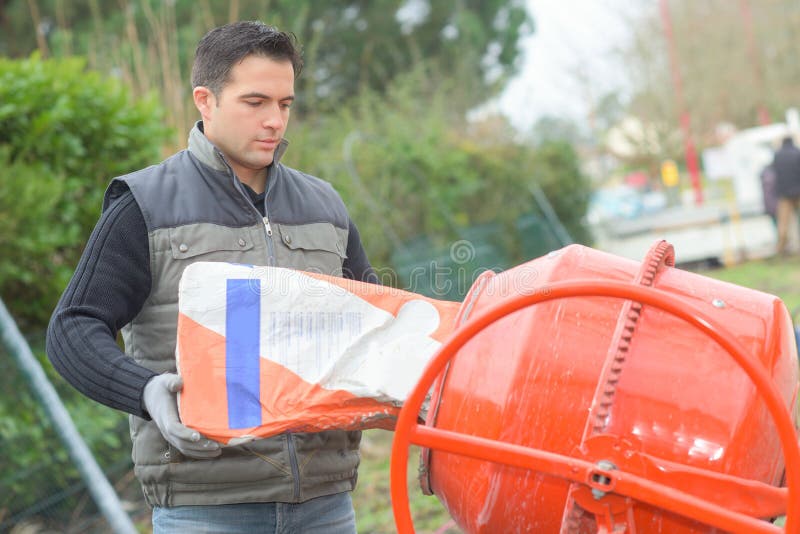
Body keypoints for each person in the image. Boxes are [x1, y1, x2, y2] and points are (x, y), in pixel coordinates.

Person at [46, 21, 377, 533]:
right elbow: (72, 327)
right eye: (255, 102)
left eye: (285, 104)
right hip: (204, 510)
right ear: (205, 100)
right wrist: (146, 390)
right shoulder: (144, 205)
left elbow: (375, 327)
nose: (274, 121)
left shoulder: (325, 205)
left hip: (327, 506)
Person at [772, 135, 800, 255]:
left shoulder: (777, 155)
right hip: (798, 191)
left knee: (784, 223)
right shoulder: (797, 153)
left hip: (784, 194)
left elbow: (774, 173)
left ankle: (781, 248)